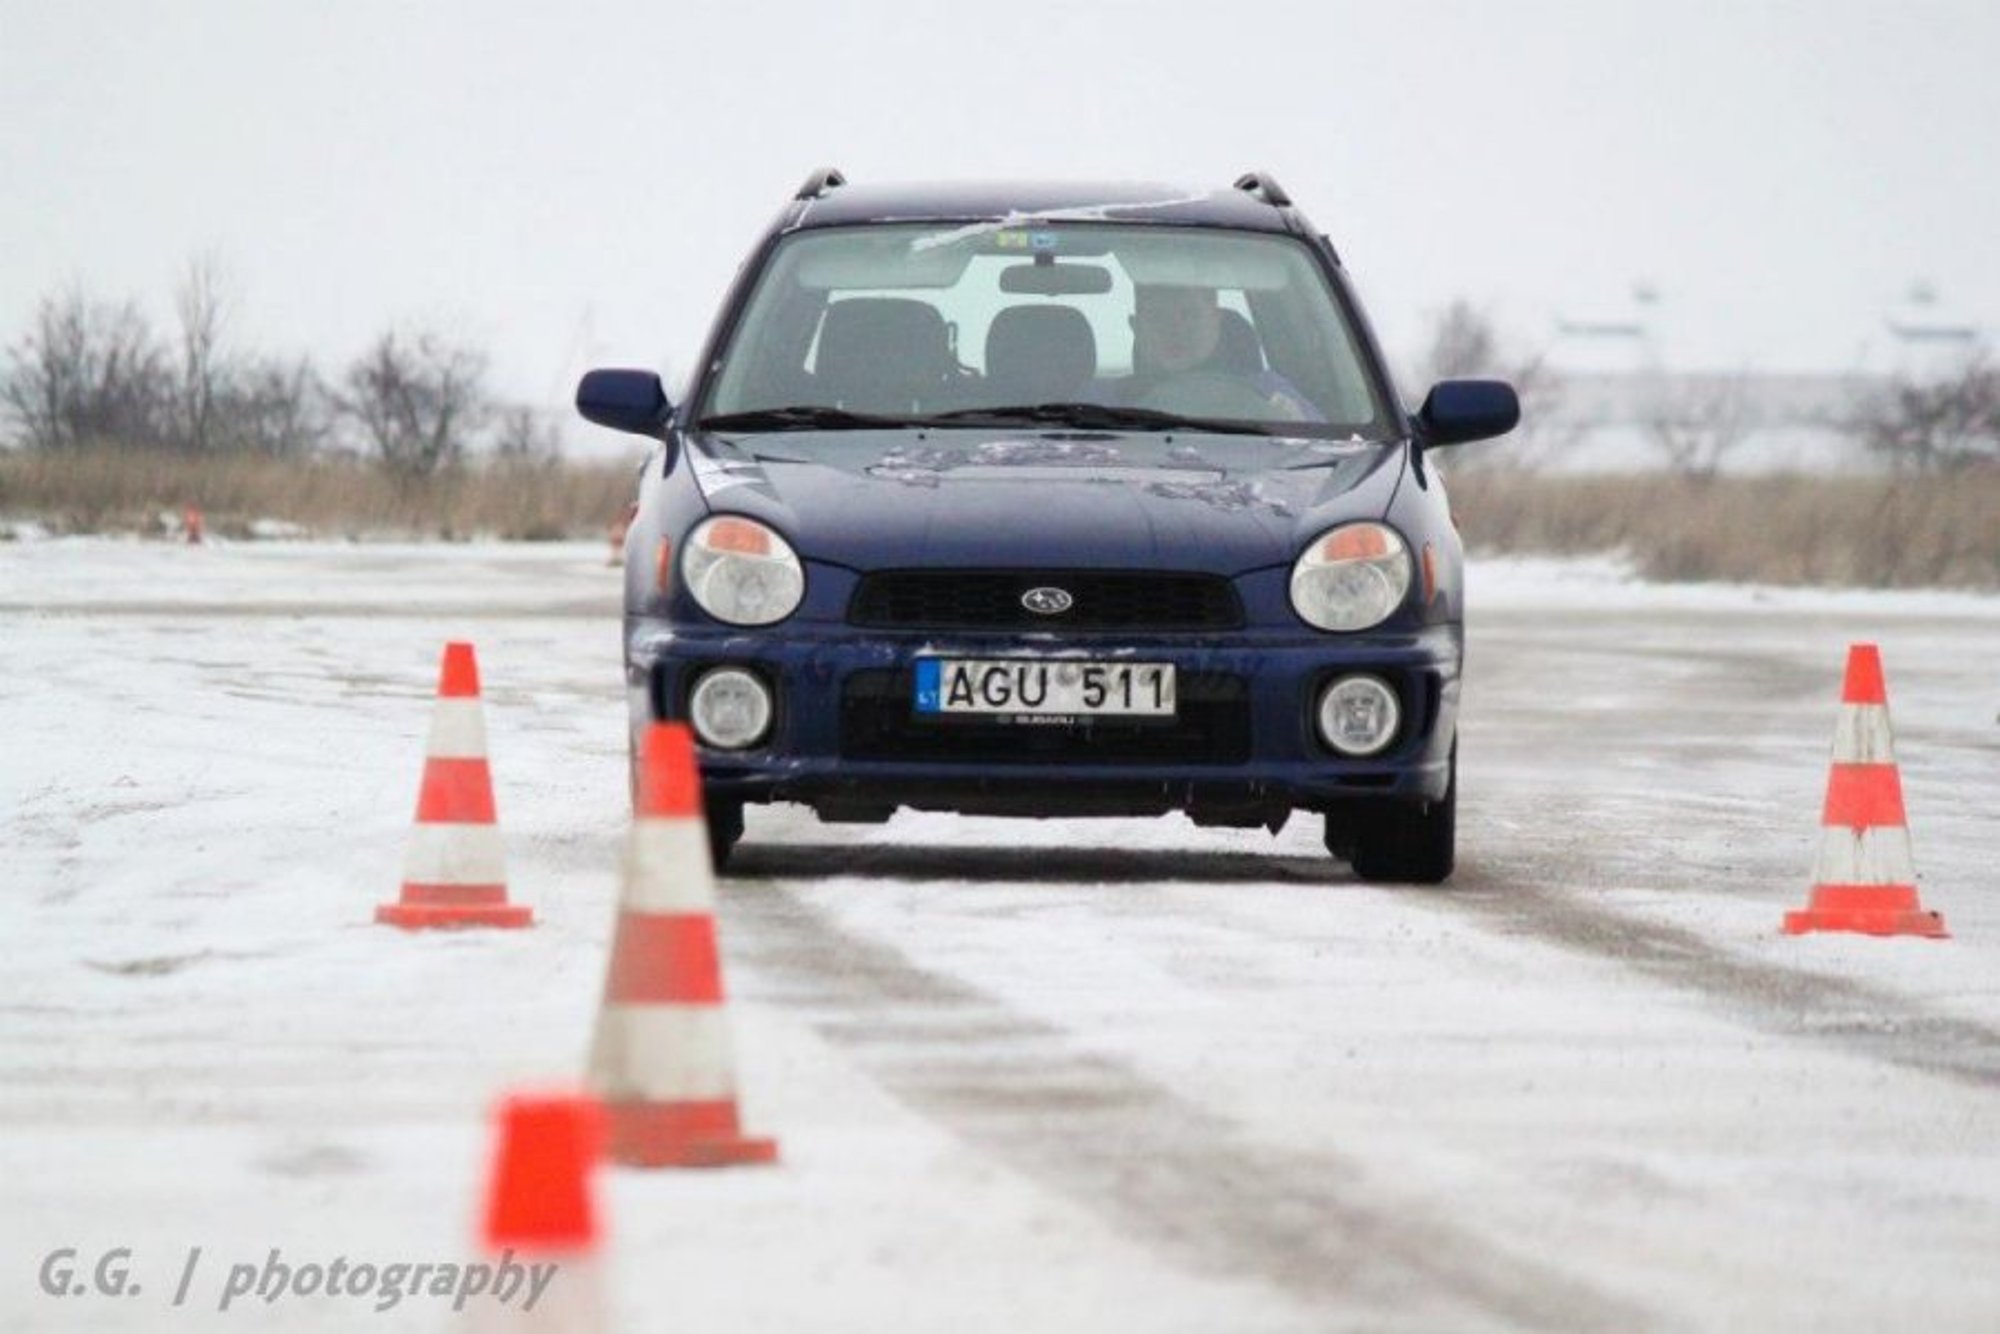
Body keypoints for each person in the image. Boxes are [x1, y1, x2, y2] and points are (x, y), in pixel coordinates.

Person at [1128, 283, 1318, 420]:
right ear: (1135, 327)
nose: (1173, 330)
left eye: (1189, 315)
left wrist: (1296, 425)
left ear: (1216, 320)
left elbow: (1327, 450)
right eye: (1157, 317)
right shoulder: (1105, 404)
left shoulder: (1272, 395)